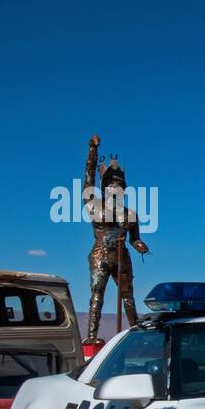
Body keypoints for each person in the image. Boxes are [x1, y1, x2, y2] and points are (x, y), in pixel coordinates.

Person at [83, 133, 149, 344]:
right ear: (104, 187)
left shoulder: (130, 214)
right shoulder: (94, 204)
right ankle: (92, 336)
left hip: (122, 255)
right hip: (100, 254)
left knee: (128, 297)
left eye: (119, 185)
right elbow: (88, 176)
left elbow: (134, 238)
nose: (115, 187)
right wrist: (92, 150)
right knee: (97, 295)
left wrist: (139, 245)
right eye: (111, 184)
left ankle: (136, 332)